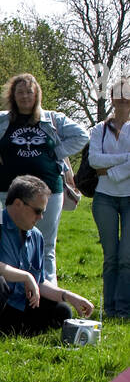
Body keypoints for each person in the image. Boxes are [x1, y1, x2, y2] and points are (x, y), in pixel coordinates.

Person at [0, 74, 88, 286]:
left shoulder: (53, 119)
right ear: (12, 96)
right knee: (1, 241)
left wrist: (57, 151)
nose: (25, 96)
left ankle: (47, 295)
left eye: (29, 92)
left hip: (49, 192)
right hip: (5, 190)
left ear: (37, 95)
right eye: (20, 92)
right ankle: (6, 291)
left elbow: (82, 135)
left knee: (45, 245)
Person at [0, 174, 93, 334]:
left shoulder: (36, 236)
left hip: (20, 306)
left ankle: (16, 333)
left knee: (62, 310)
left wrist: (68, 296)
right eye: (37, 211)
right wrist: (26, 276)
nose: (41, 217)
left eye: (43, 212)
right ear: (18, 204)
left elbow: (39, 282)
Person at [87, 79, 130, 318]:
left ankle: (124, 309)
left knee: (127, 257)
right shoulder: (98, 129)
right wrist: (126, 159)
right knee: (111, 256)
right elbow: (94, 160)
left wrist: (110, 171)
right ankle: (110, 309)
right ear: (112, 98)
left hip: (129, 197)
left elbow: (102, 165)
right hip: (104, 197)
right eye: (118, 95)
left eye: (127, 95)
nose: (123, 100)